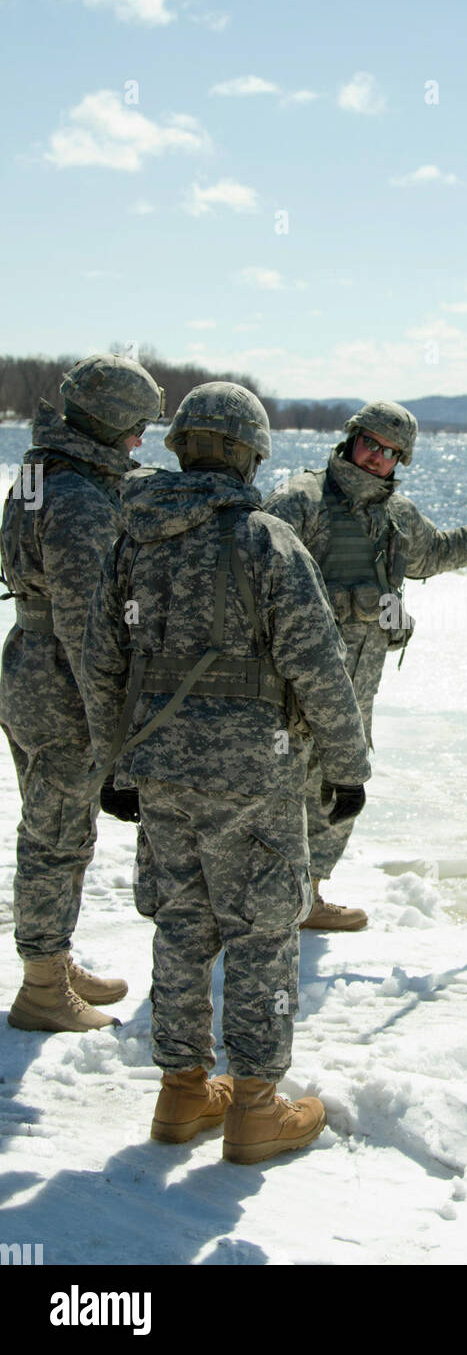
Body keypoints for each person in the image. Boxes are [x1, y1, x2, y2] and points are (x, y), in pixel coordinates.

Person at [81, 382, 370, 1163]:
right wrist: (346, 768)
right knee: (261, 932)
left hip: (162, 766)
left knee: (180, 924)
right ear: (249, 453)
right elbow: (320, 666)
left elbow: (102, 662)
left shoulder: (132, 540)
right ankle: (253, 1106)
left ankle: (180, 1093)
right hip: (257, 774)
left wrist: (117, 764)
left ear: (182, 447)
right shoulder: (267, 541)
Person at [264, 400, 467, 931]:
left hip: (358, 686)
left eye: (390, 452)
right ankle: (266, 898)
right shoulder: (300, 500)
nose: (377, 457)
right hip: (291, 684)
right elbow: (256, 576)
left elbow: (434, 552)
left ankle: (308, 896)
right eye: (370, 444)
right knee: (280, 785)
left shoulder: (396, 516)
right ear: (351, 438)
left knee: (340, 786)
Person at [1, 353, 163, 1033]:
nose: (139, 442)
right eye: (134, 428)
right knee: (57, 833)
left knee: (56, 823)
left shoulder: (43, 470)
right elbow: (88, 631)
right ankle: (41, 986)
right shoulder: (76, 499)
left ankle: (53, 958)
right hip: (63, 683)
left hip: (29, 666)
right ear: (106, 421)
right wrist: (115, 736)